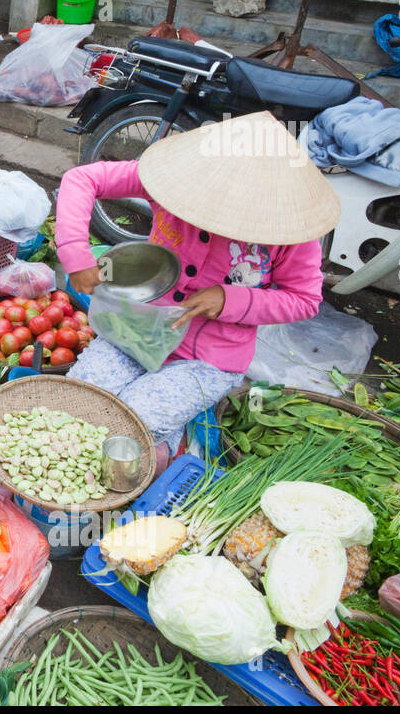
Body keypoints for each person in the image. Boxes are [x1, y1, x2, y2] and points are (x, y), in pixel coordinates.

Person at [56, 111, 334, 473]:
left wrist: (229, 300)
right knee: (79, 402)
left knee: (132, 424)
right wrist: (76, 255)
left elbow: (304, 300)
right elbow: (82, 179)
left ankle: (173, 440)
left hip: (209, 359)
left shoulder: (289, 228)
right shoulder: (171, 183)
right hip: (138, 331)